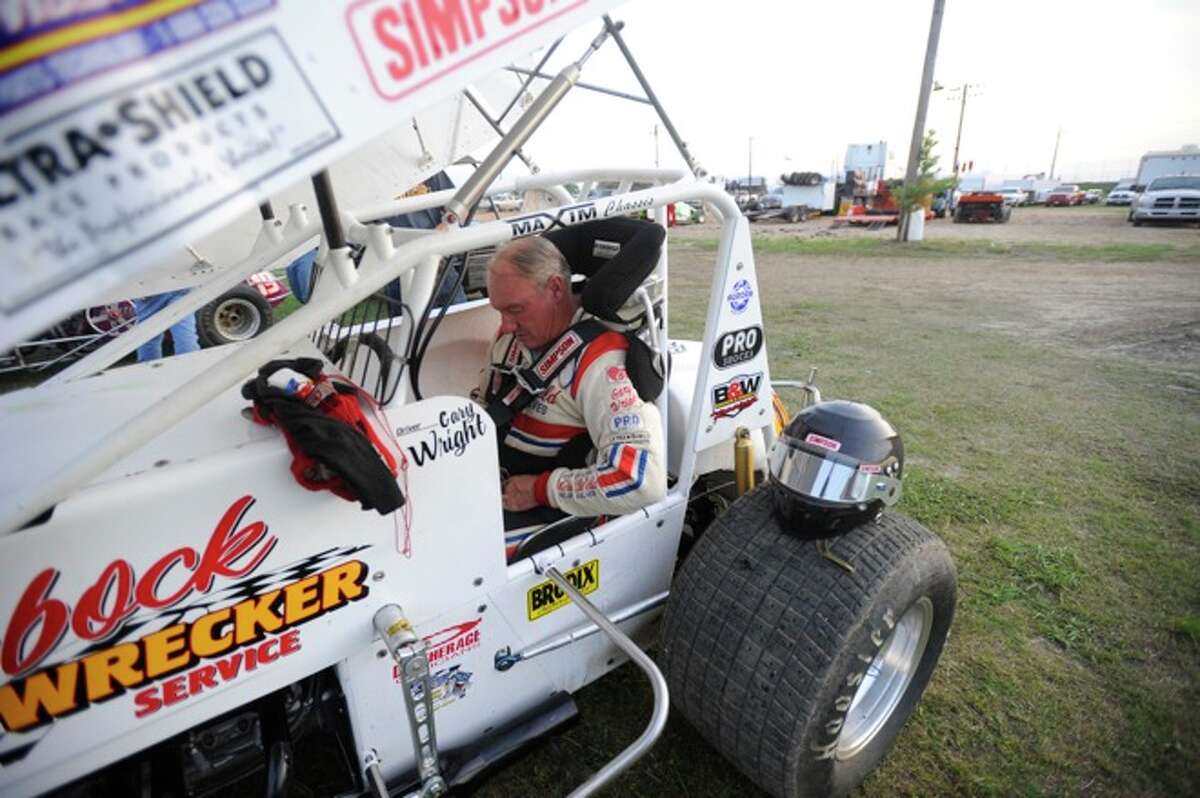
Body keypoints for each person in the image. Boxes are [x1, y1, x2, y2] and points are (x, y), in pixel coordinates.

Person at [474, 237, 666, 558]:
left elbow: (641, 481)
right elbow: (485, 409)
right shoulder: (509, 341)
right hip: (498, 490)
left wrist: (541, 490)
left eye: (515, 309)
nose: (505, 325)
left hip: (560, 512)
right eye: (499, 310)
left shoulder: (602, 361)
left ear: (555, 289)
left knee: (457, 563)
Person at [133, 289, 200, 362]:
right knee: (184, 334)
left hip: (150, 290)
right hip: (180, 286)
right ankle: (191, 365)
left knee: (148, 338)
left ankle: (149, 368)